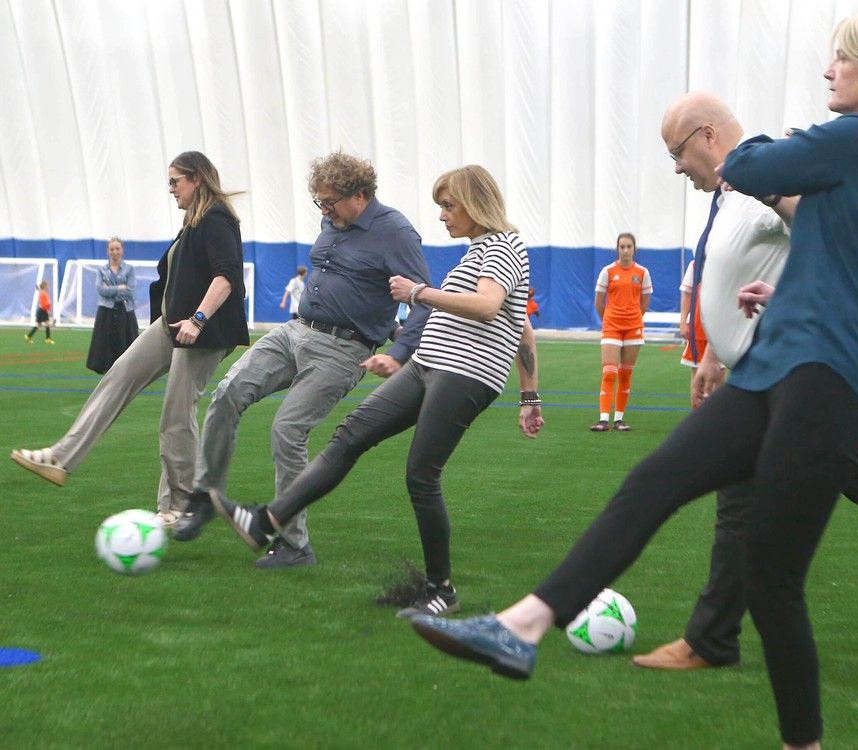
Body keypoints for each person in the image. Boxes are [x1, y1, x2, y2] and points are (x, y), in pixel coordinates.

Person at [409, 9, 858, 749]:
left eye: (841, 59)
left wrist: (717, 134)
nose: (828, 71)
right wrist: (794, 295)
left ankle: (802, 742)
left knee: (771, 576)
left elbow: (747, 166)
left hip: (828, 380)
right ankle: (519, 627)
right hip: (784, 363)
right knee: (653, 480)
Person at [630, 95, 858, 674]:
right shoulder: (729, 193)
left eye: (676, 153)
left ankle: (712, 639)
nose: (675, 168)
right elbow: (736, 273)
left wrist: (783, 198)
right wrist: (714, 353)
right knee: (852, 476)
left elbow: (821, 227)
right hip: (758, 368)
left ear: (704, 136)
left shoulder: (769, 173)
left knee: (747, 502)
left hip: (787, 372)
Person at [210, 164, 544, 615]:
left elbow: (488, 306)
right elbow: (521, 324)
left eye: (449, 206)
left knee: (421, 475)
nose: (443, 215)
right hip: (429, 365)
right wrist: (529, 395)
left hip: (464, 373)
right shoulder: (480, 249)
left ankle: (440, 590)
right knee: (350, 435)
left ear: (475, 203)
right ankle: (266, 520)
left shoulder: (503, 246)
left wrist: (419, 293)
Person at [170, 150, 433, 570]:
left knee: (287, 430)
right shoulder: (333, 218)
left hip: (344, 349)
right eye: (320, 203)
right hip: (295, 330)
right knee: (227, 394)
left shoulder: (396, 232)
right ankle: (204, 496)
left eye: (330, 203)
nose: (324, 211)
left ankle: (294, 545)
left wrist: (399, 354)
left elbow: (423, 302)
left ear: (360, 195)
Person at [12, 151, 249, 528]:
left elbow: (226, 277)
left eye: (175, 181)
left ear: (197, 179)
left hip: (202, 332)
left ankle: (180, 505)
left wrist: (198, 319)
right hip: (170, 325)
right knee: (117, 377)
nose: (170, 190)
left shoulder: (217, 217)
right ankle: (61, 457)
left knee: (175, 415)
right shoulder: (193, 220)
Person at [589, 232, 652, 432]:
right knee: (609, 373)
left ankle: (619, 419)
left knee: (625, 374)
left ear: (635, 249)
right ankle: (603, 419)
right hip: (611, 327)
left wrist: (633, 319)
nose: (625, 250)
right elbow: (599, 302)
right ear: (617, 249)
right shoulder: (607, 272)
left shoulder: (642, 273)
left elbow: (644, 303)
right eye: (622, 247)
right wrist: (609, 319)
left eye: (629, 247)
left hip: (633, 328)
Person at [86, 237, 140, 374]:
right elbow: (100, 290)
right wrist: (119, 288)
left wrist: (110, 289)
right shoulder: (101, 270)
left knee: (128, 341)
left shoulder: (130, 269)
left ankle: (127, 370)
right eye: (111, 249)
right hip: (106, 311)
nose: (114, 252)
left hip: (125, 310)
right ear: (107, 251)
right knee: (105, 342)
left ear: (122, 250)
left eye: (117, 249)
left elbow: (130, 291)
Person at [25, 280, 54, 344]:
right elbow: (45, 304)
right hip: (42, 311)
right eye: (47, 285)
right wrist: (47, 309)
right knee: (45, 324)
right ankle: (47, 339)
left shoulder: (43, 292)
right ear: (44, 286)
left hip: (42, 310)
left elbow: (39, 291)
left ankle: (29, 336)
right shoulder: (43, 293)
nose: (48, 287)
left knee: (40, 325)